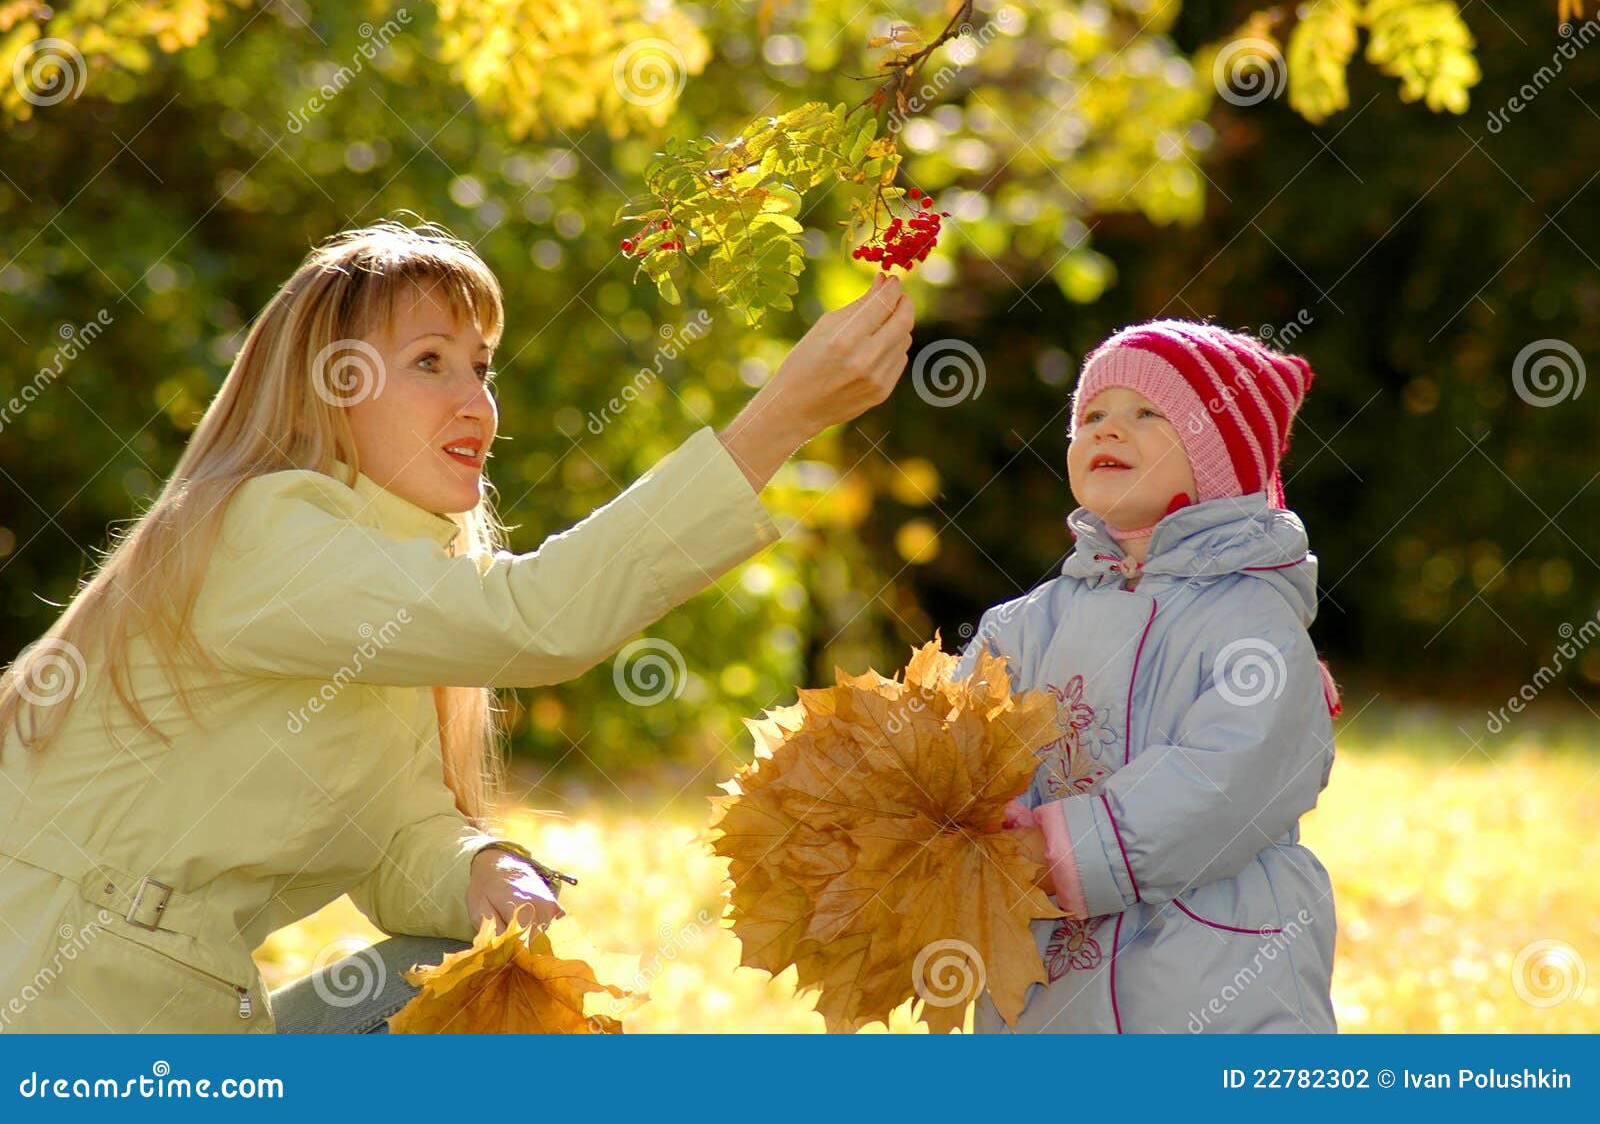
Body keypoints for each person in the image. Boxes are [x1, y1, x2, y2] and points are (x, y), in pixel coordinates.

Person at [0, 220, 915, 1033]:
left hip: (187, 1014)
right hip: (62, 1013)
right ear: (328, 389)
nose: (475, 402)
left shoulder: (378, 590)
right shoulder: (260, 532)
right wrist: (782, 417)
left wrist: (482, 865)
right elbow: (541, 620)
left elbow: (399, 835)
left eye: (481, 366)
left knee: (437, 985)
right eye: (430, 361)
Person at [953, 319, 1341, 1033]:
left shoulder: (1253, 624)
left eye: (1147, 413)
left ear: (1219, 460)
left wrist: (1061, 848)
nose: (1109, 430)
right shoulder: (1026, 623)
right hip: (1047, 975)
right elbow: (952, 737)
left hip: (1207, 971)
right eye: (1092, 415)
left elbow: (1229, 775)